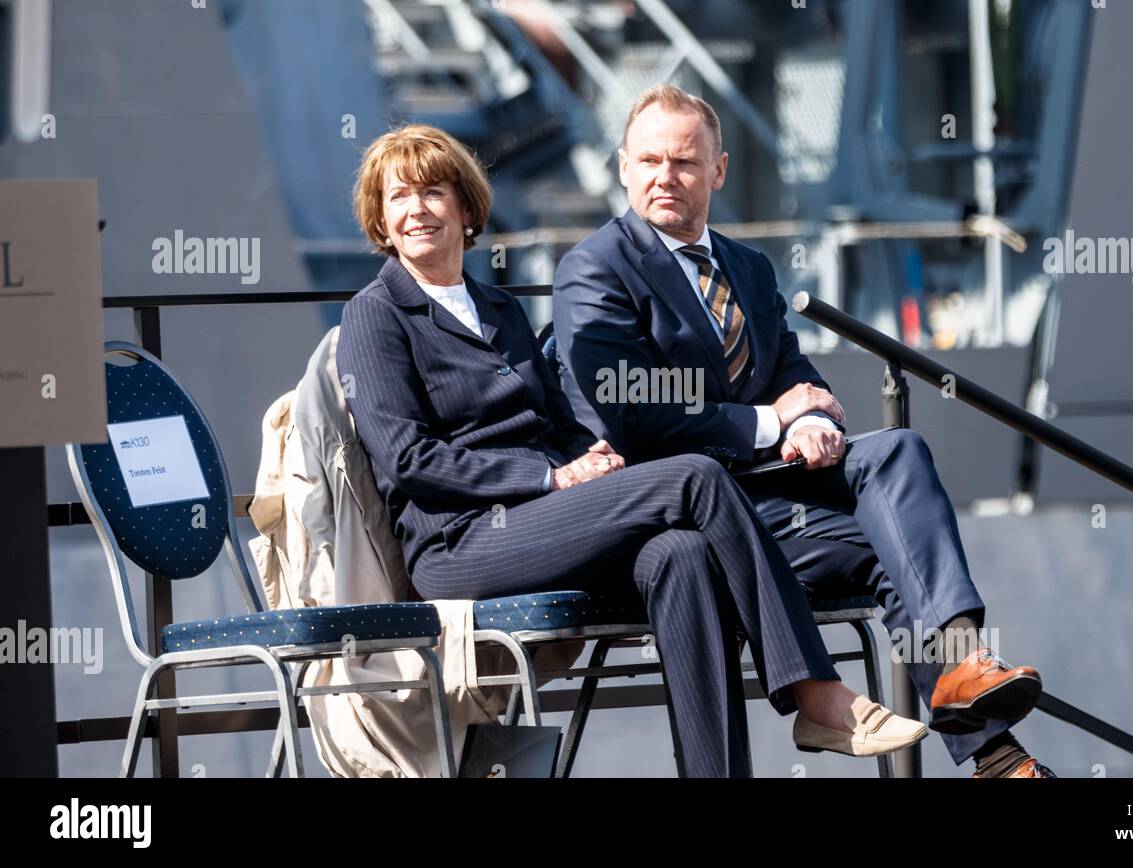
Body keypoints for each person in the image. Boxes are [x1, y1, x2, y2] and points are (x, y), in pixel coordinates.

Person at [335, 123, 928, 777]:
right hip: (460, 542)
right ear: (381, 219)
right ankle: (813, 691)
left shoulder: (498, 308)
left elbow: (557, 423)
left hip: (542, 519)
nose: (417, 209)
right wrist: (551, 478)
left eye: (434, 192)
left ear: (466, 208)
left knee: (683, 553)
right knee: (694, 478)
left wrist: (593, 461)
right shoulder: (375, 314)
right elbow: (409, 460)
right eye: (399, 197)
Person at [553, 86, 1054, 778]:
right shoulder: (596, 269)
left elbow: (794, 372)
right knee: (882, 546)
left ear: (718, 171)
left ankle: (971, 684)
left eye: (684, 162)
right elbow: (634, 411)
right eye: (649, 161)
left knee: (897, 460)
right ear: (623, 169)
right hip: (681, 521)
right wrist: (770, 421)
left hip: (769, 506)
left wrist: (813, 417)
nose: (665, 176)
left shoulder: (748, 269)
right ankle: (988, 751)